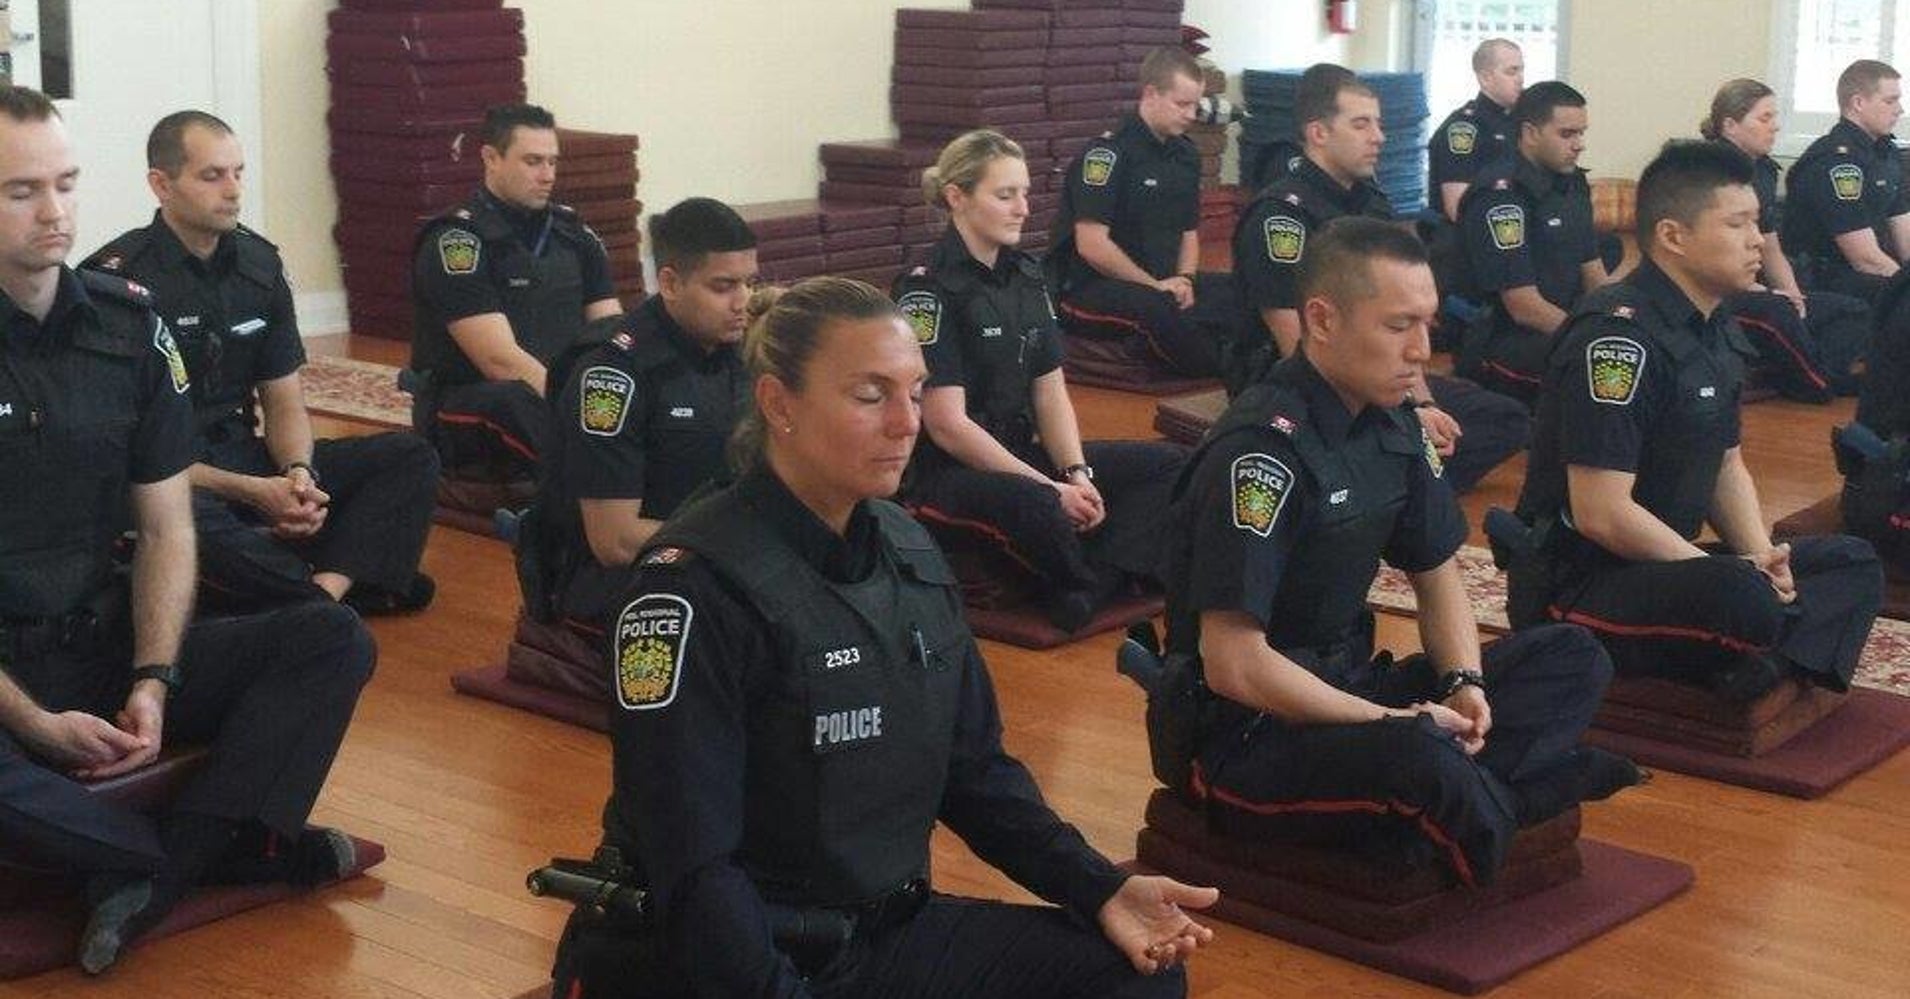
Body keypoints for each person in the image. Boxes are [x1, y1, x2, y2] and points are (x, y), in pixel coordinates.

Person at [551, 277, 1218, 997]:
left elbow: (976, 773)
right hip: (729, 956)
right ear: (779, 404)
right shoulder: (690, 589)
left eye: (917, 390)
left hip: (880, 933)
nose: (908, 422)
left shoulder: (910, 550)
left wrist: (1098, 889)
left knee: (1135, 980)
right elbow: (695, 868)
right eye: (872, 396)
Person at [0, 85, 376, 974]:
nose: (54, 212)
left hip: (99, 645)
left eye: (66, 183)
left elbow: (169, 529)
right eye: (21, 191)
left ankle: (132, 865)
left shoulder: (129, 328)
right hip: (6, 684)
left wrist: (155, 678)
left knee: (331, 639)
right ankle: (211, 854)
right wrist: (40, 724)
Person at [1154, 217, 1633, 889]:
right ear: (1321, 319)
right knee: (1417, 753)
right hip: (1247, 733)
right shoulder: (1260, 454)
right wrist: (1397, 722)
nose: (1421, 350)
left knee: (1573, 655)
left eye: (1428, 324)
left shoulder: (1395, 423)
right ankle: (1523, 792)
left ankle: (1466, 793)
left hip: (1349, 688)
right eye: (1397, 325)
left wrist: (1462, 684)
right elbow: (1235, 665)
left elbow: (1438, 575)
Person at [1509, 141, 1881, 702]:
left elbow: (1725, 463)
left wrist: (1761, 557)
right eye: (1737, 224)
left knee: (1851, 560)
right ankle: (1770, 659)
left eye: (1757, 222)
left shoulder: (1714, 327)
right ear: (1673, 236)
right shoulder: (1617, 339)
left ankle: (1758, 664)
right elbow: (1601, 513)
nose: (1757, 240)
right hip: (1583, 583)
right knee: (1740, 595)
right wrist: (1738, 577)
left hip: (1668, 567)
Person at [84, 110, 438, 614]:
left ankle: (323, 596)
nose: (232, 189)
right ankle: (339, 580)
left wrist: (299, 476)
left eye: (238, 172)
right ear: (161, 185)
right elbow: (125, 453)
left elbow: (285, 400)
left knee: (409, 456)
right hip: (171, 480)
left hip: (246, 459)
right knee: (183, 526)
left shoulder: (259, 265)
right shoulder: (115, 285)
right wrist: (254, 493)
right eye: (212, 176)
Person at [893, 130, 1188, 632]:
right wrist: (1048, 488)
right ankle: (1106, 574)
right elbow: (946, 426)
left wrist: (1075, 472)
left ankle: (1091, 585)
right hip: (949, 474)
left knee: (1166, 462)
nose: (1023, 208)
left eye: (1025, 193)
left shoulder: (1029, 275)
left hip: (1017, 454)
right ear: (956, 197)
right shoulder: (927, 288)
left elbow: (1051, 392)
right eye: (1005, 195)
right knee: (1036, 505)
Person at [1231, 66, 1528, 494]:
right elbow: (1295, 340)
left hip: (1375, 359)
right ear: (1318, 133)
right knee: (1402, 436)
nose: (1379, 136)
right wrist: (1404, 412)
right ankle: (1396, 484)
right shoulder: (1283, 216)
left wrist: (1421, 400)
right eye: (1361, 124)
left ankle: (1389, 484)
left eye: (1379, 124)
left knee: (1507, 419)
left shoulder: (1370, 202)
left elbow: (1405, 321)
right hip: (1300, 380)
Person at [523, 197, 757, 628]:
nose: (742, 301)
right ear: (669, 283)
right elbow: (613, 540)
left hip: (715, 554)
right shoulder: (613, 376)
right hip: (625, 578)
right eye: (723, 287)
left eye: (749, 283)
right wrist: (747, 543)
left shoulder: (741, 354)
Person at [408, 102, 622, 488]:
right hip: (470, 401)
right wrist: (581, 410)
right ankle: (604, 492)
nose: (547, 176)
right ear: (491, 157)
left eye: (553, 163)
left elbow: (610, 332)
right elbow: (498, 361)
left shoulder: (576, 236)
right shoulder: (457, 242)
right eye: (533, 161)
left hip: (559, 396)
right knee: (513, 400)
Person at [1050, 46, 1232, 379]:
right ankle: (1226, 370)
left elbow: (1188, 232)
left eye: (1196, 104)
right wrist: (1154, 286)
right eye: (1182, 104)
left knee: (1240, 289)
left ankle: (1238, 358)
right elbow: (1092, 245)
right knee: (1159, 309)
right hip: (1094, 287)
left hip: (1164, 282)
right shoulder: (1106, 155)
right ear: (1150, 94)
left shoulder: (1186, 156)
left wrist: (1186, 280)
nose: (1192, 114)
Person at [1703, 79, 1869, 401]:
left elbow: (1771, 246)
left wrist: (1795, 295)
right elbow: (1707, 254)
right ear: (1730, 125)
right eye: (1764, 119)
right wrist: (1761, 290)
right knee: (1777, 312)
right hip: (1718, 290)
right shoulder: (1708, 173)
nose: (1775, 127)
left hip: (1757, 282)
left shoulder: (1762, 171)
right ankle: (1816, 385)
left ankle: (1806, 372)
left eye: (1774, 117)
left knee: (1851, 310)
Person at [1456, 81, 1611, 406]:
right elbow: (1524, 307)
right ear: (1530, 133)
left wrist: (1620, 321)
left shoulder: (1572, 184)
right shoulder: (1501, 198)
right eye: (1567, 134)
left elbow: (1594, 274)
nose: (1579, 144)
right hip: (1505, 341)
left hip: (1559, 324)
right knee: (1605, 369)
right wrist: (1591, 337)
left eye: (1582, 133)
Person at [1782, 60, 1910, 302]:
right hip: (1824, 282)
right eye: (1890, 101)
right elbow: (1865, 259)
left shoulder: (1885, 153)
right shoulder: (1835, 163)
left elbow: (1905, 235)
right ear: (1858, 103)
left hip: (1864, 277)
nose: (1900, 110)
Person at [1429, 39, 1524, 223]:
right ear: (1485, 78)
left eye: (1521, 70)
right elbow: (1457, 208)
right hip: (1473, 239)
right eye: (1511, 71)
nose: (1520, 79)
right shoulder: (1464, 128)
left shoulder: (1521, 120)